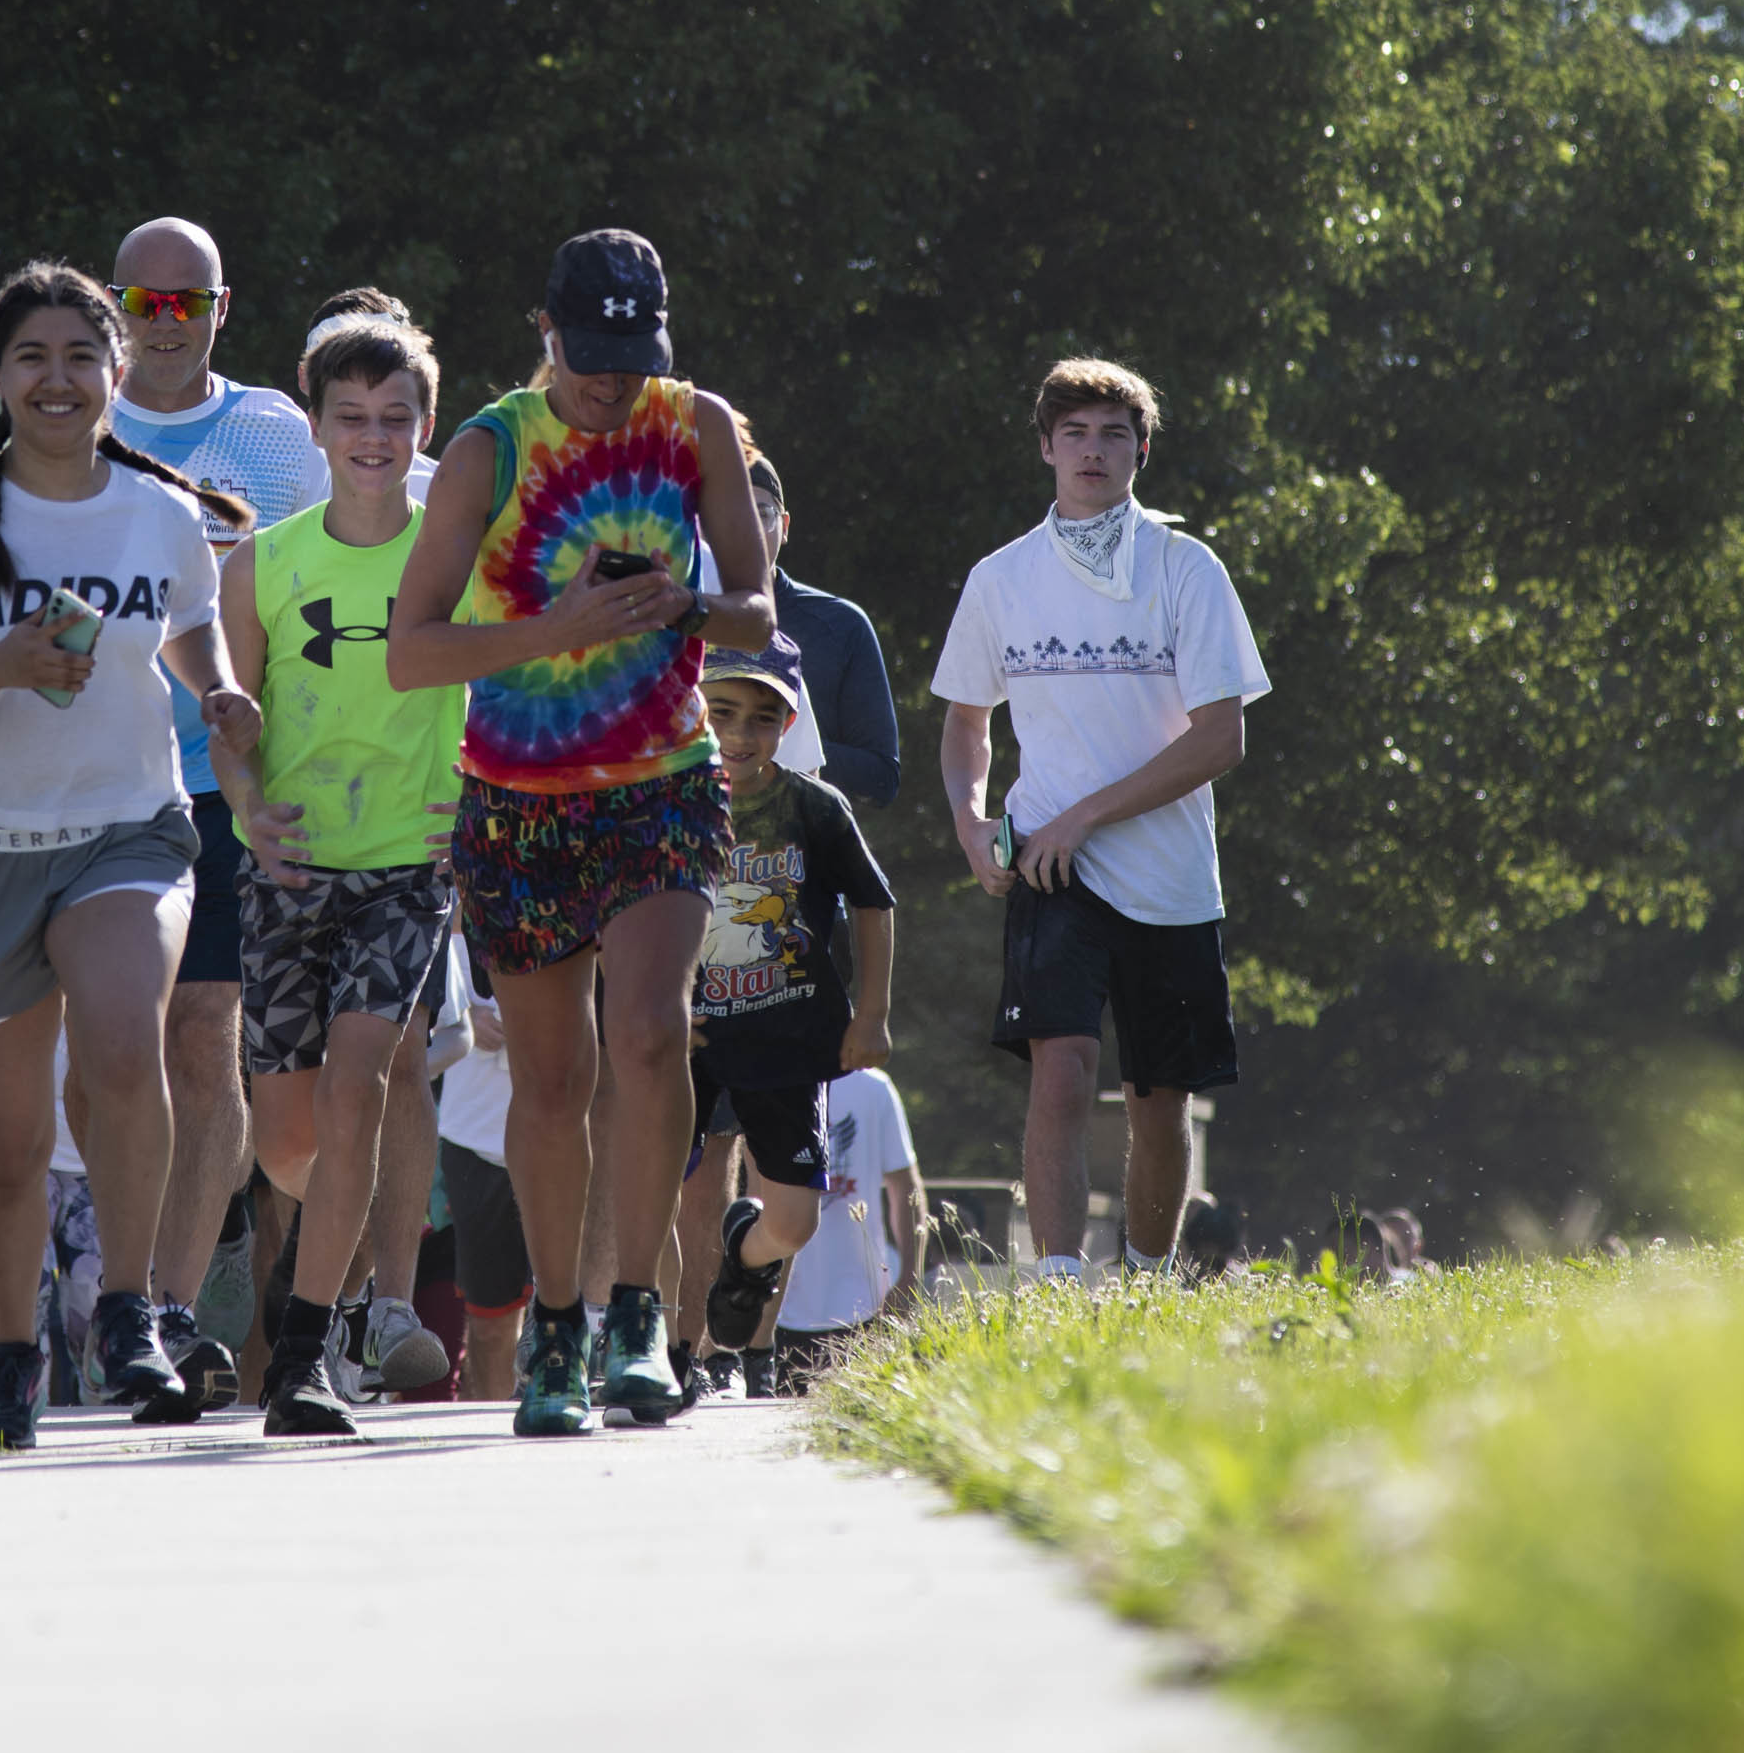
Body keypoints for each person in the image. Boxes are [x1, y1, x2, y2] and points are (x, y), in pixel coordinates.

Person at [0, 261, 263, 1451]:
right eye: (31, 358)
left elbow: (189, 635)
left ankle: (130, 1309)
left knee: (128, 1037)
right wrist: (1, 665)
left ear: (115, 373)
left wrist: (225, 694)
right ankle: (9, 1354)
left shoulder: (160, 512)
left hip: (124, 827)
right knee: (12, 1146)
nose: (57, 379)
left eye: (81, 358)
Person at [388, 227, 776, 1436]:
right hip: (517, 800)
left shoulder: (695, 423)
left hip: (660, 779)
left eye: (633, 356)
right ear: (544, 331)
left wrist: (690, 606)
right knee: (552, 1076)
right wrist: (551, 631)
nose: (611, 383)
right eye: (590, 356)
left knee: (653, 1037)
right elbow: (413, 649)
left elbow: (756, 613)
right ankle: (554, 1327)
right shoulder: (486, 449)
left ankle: (635, 1318)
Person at [931, 358, 1269, 1286]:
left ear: (1141, 452)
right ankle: (1058, 1285)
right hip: (1050, 866)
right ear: (1045, 448)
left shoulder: (1186, 567)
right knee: (1064, 1069)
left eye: (1113, 434)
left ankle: (1151, 1278)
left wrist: (1086, 814)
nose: (1093, 450)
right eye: (1074, 433)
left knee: (1161, 1101)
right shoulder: (1001, 579)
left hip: (1167, 878)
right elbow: (966, 720)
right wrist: (970, 823)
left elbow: (1222, 740)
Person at [216, 312, 467, 1434]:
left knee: (364, 1078)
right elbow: (232, 724)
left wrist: (479, 797)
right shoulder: (262, 561)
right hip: (289, 871)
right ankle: (307, 1264)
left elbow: (501, 688)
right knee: (288, 1141)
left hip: (409, 866)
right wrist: (245, 811)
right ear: (311, 424)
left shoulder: (458, 564)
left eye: (395, 419)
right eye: (351, 418)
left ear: (426, 427)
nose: (373, 437)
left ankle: (309, 1354)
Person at [105, 216, 330, 1407]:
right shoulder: (71, 418)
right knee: (114, 1051)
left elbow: (309, 589)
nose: (165, 324)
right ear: (113, 305)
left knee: (204, 1034)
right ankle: (116, 1292)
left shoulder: (272, 435)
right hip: (94, 782)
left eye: (187, 303)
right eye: (144, 303)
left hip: (228, 784)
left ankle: (168, 1310)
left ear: (221, 309)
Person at [683, 637, 897, 1357]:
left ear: (789, 723)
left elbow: (873, 904)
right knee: (656, 1194)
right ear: (691, 708)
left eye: (762, 718)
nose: (739, 735)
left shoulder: (814, 806)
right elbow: (619, 909)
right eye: (721, 713)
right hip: (686, 1037)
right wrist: (649, 1007)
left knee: (796, 1223)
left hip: (786, 1037)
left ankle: (745, 1257)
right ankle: (664, 1347)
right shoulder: (664, 799)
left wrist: (871, 1016)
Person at [741, 453, 899, 806]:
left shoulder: (842, 625)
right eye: (731, 512)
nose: (747, 526)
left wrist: (777, 747)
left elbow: (880, 778)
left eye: (761, 513)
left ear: (784, 527)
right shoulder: (676, 618)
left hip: (808, 849)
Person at [765, 1067, 922, 1388]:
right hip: (772, 1313)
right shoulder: (766, 1077)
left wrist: (909, 1277)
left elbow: (905, 1187)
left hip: (864, 1309)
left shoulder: (873, 1088)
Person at [433, 956, 529, 1402]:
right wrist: (462, 1017)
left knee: (577, 1309)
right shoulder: (457, 890)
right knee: (491, 1326)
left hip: (568, 1132)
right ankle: (490, 1448)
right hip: (474, 1134)